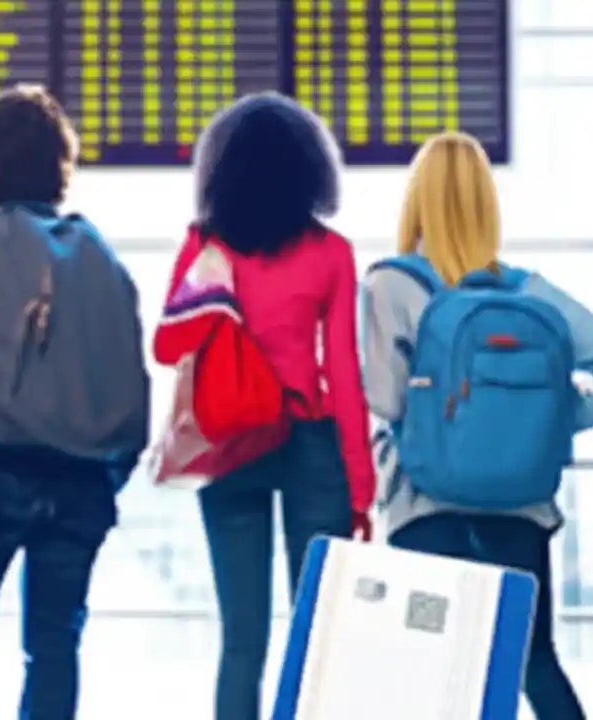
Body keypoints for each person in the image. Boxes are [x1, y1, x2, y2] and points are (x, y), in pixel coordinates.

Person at [362, 132, 593, 720]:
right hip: (520, 512)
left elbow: (386, 398)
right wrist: (549, 422)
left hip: (426, 513)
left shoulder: (389, 284)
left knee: (433, 672)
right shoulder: (530, 292)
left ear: (416, 202)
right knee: (534, 661)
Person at [0, 84, 150, 720]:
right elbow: (127, 385)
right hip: (83, 481)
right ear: (60, 162)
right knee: (52, 647)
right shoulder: (101, 255)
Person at [161, 92, 376, 720]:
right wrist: (360, 489)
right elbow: (344, 373)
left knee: (242, 643)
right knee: (318, 641)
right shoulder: (331, 252)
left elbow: (168, 344)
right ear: (310, 170)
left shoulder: (205, 246)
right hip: (312, 444)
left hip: (228, 442)